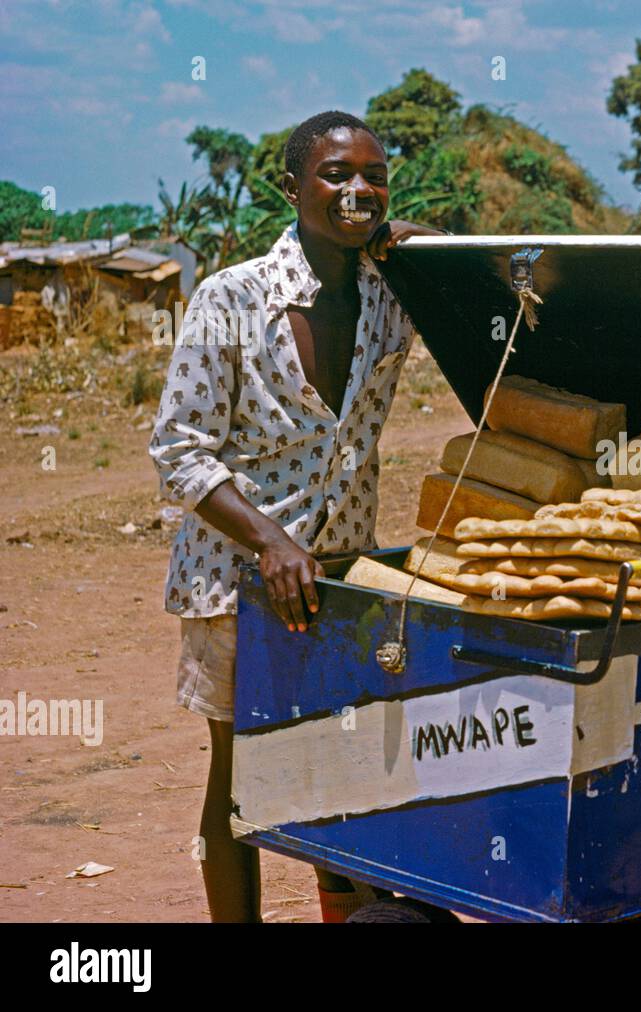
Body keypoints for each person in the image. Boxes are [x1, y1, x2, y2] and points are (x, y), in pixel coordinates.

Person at [149, 110, 445, 922]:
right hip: (237, 577)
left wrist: (419, 245)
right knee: (240, 782)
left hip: (346, 582)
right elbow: (179, 450)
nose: (359, 190)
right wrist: (272, 542)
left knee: (348, 777)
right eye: (336, 174)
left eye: (374, 176)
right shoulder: (233, 297)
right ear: (291, 187)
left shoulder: (393, 299)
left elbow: (490, 303)